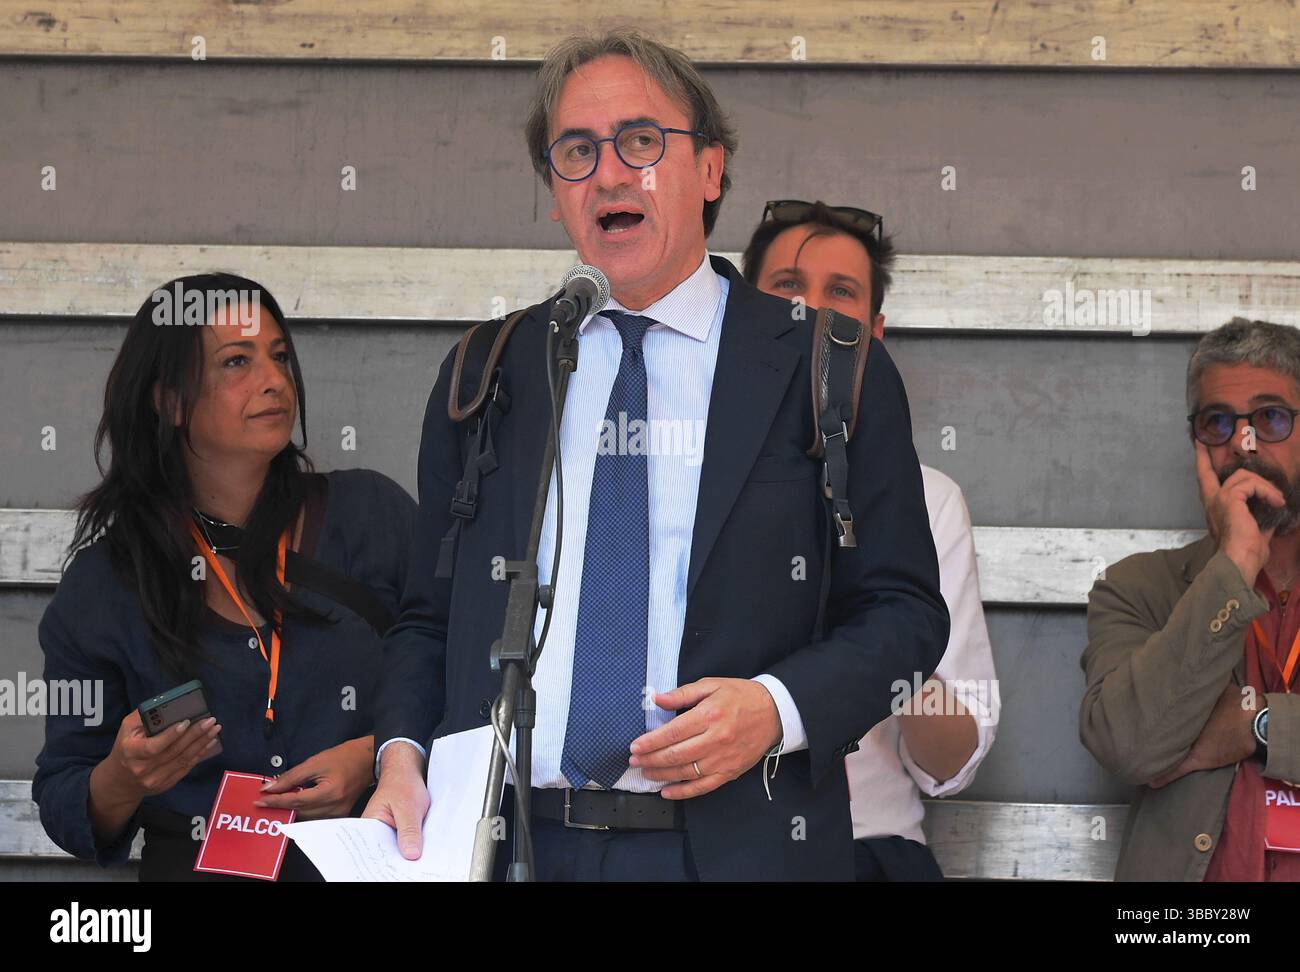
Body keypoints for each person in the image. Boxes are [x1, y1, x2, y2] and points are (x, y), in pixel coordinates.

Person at [364, 29, 948, 881]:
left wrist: (776, 709)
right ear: (557, 194)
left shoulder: (828, 365)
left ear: (710, 170)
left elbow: (904, 614)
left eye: (641, 141)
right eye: (576, 151)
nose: (608, 173)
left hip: (741, 845)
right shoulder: (488, 370)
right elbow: (429, 614)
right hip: (517, 843)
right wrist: (400, 757)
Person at [32, 273, 417, 880]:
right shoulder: (107, 583)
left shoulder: (371, 515)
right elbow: (65, 798)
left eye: (280, 356)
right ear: (170, 400)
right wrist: (123, 777)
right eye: (237, 361)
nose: (274, 380)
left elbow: (472, 690)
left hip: (375, 864)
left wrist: (382, 759)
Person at [743, 199, 998, 880]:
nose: (814, 314)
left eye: (842, 294)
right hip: (711, 843)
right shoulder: (682, 476)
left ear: (874, 335)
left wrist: (887, 616)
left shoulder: (928, 499)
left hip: (872, 850)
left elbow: (952, 760)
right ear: (738, 317)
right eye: (789, 287)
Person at [1082, 317, 1300, 881]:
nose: (1243, 444)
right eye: (1218, 423)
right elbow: (1127, 745)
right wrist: (1234, 567)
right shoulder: (1136, 589)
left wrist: (1253, 725)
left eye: (1271, 418)